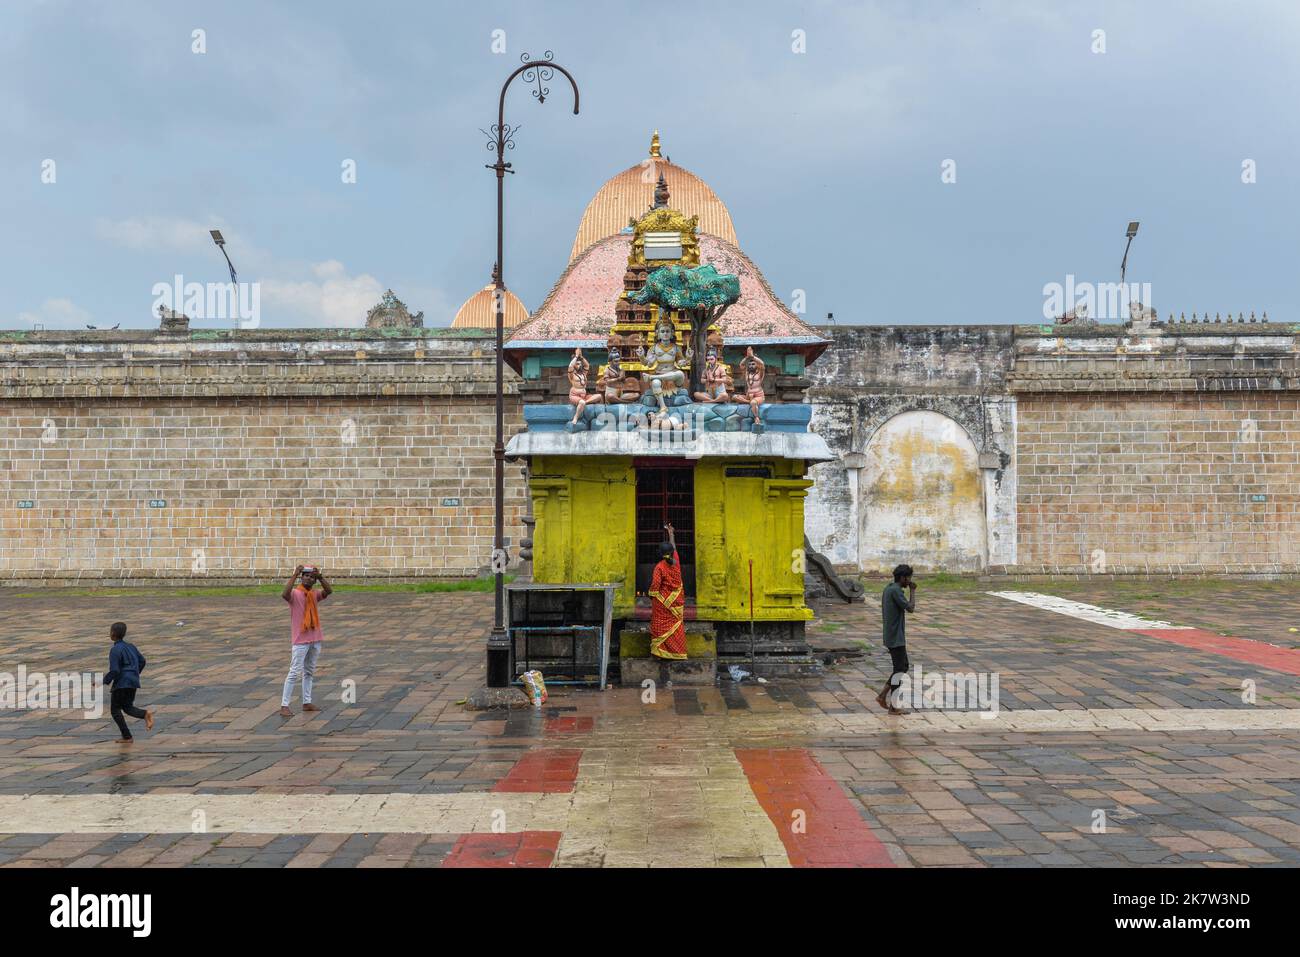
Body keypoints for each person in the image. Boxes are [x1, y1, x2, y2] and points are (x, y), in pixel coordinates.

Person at [280, 564, 333, 717]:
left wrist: (321, 577)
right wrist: (294, 574)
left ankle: (307, 701)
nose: (309, 578)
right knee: (294, 672)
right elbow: (284, 594)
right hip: (300, 639)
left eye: (311, 577)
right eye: (306, 575)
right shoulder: (295, 594)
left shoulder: (314, 594)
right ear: (302, 577)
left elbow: (329, 591)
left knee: (309, 671)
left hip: (315, 638)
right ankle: (284, 704)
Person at [876, 564, 916, 715]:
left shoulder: (889, 588)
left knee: (903, 666)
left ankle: (882, 695)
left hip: (893, 635)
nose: (909, 581)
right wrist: (912, 591)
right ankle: (893, 706)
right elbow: (911, 608)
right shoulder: (896, 591)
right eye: (908, 578)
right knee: (899, 669)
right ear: (902, 577)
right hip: (895, 637)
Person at [104, 621, 153, 743]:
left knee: (115, 710)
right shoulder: (131, 646)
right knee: (127, 707)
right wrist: (134, 674)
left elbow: (115, 670)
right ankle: (145, 714)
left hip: (122, 683)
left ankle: (127, 736)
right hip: (133, 681)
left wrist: (105, 680)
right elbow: (142, 661)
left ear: (113, 634)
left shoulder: (115, 650)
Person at [649, 523, 687, 673]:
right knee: (676, 625)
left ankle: (660, 653)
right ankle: (677, 652)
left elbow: (655, 584)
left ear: (660, 554)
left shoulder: (659, 567)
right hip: (677, 600)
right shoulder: (676, 562)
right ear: (672, 553)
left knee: (659, 626)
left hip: (663, 602)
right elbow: (674, 547)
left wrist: (651, 594)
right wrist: (671, 534)